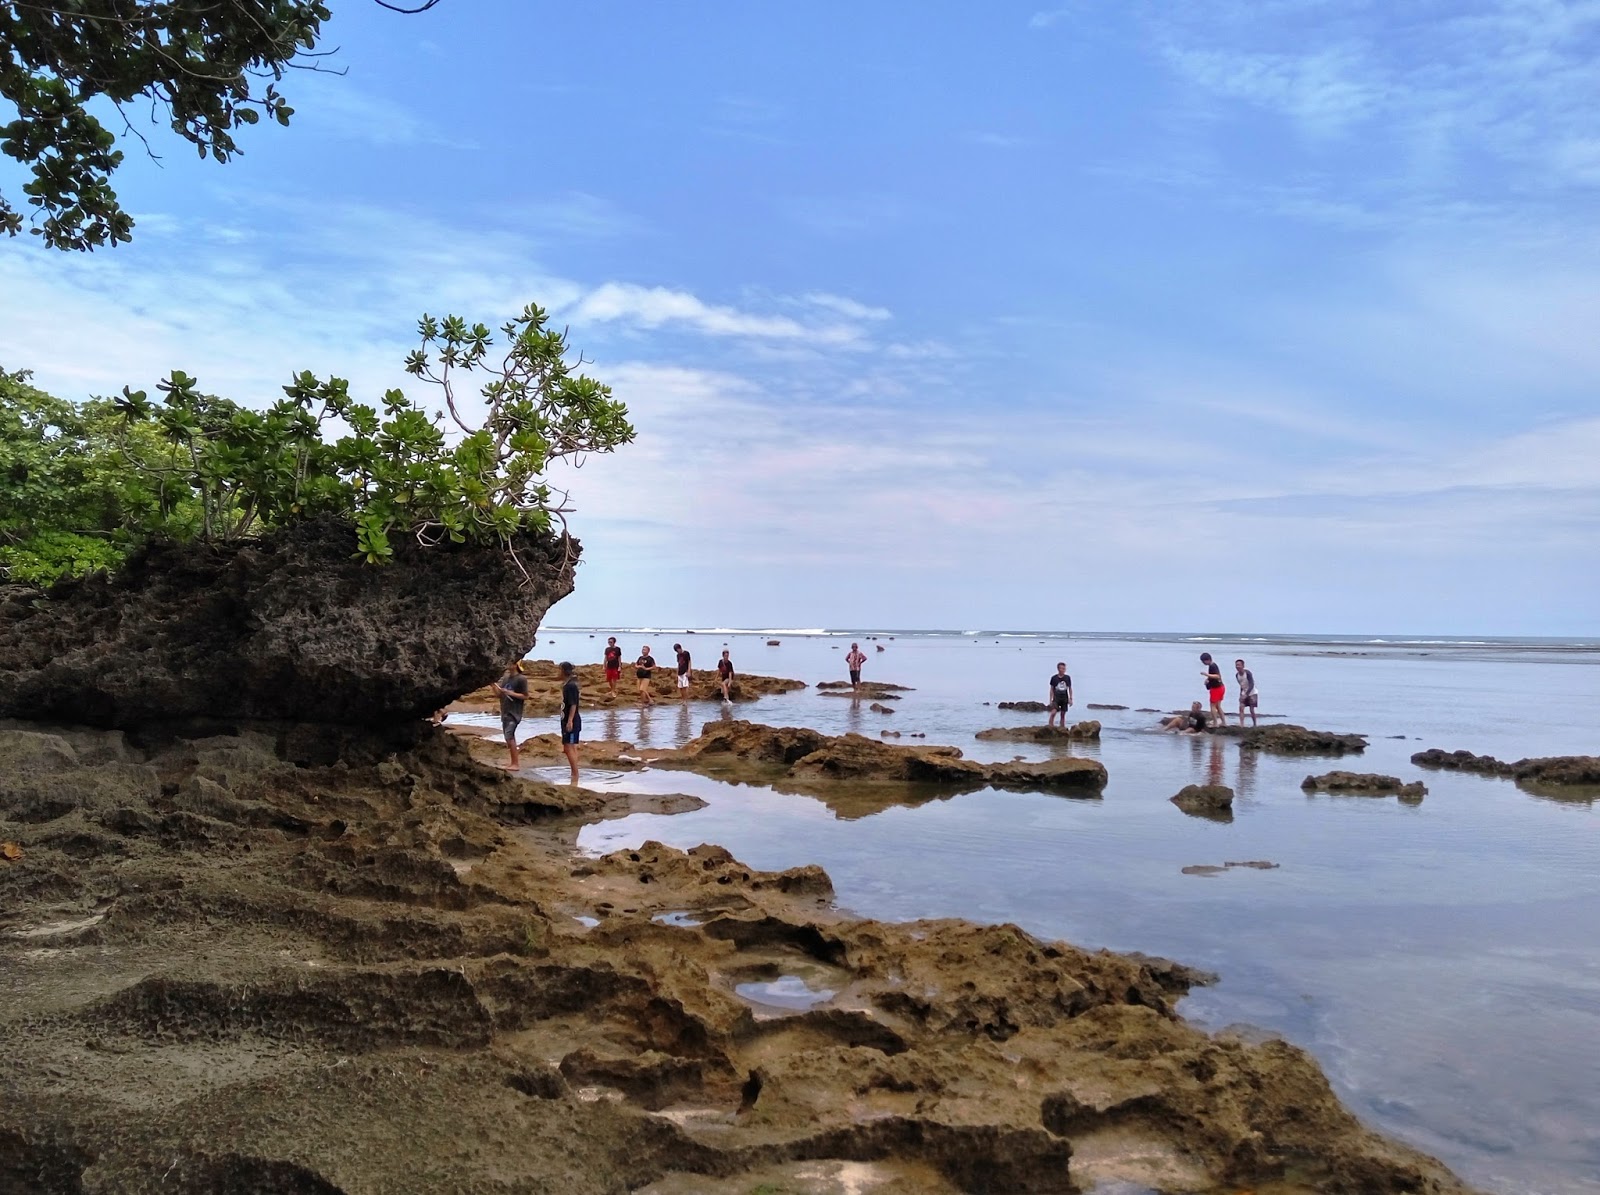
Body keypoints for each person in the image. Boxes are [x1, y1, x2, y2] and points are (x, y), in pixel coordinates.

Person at [492, 660, 529, 769]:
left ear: (516, 665)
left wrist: (511, 693)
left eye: (511, 662)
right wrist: (493, 686)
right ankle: (513, 762)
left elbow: (525, 696)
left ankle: (515, 764)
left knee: (509, 736)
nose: (508, 664)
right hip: (505, 711)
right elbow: (499, 694)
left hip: (514, 712)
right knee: (508, 737)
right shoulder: (506, 678)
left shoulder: (521, 679)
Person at [558, 660, 581, 784]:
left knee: (568, 747)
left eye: (559, 670)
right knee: (569, 746)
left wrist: (570, 720)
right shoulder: (567, 684)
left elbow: (573, 704)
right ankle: (574, 772)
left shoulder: (571, 686)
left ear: (563, 671)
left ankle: (575, 773)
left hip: (571, 720)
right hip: (566, 720)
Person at [1200, 652, 1227, 727]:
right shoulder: (1212, 666)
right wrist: (1208, 679)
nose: (1203, 663)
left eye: (1203, 661)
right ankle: (1223, 722)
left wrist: (1206, 674)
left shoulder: (1212, 666)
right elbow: (1215, 676)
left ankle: (1215, 723)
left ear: (1207, 660)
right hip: (1221, 687)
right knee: (1218, 706)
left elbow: (1217, 676)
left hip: (1216, 688)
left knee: (1213, 706)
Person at [1047, 662, 1073, 727]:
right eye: (1061, 668)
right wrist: (1050, 700)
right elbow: (1051, 689)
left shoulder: (1067, 678)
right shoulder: (1054, 678)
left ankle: (1062, 728)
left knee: (1063, 715)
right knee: (1053, 712)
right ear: (1058, 669)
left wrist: (1070, 699)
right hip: (1056, 698)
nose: (1063, 670)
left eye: (1064, 668)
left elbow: (1070, 688)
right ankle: (1050, 726)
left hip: (1064, 698)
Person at [1235, 658, 1259, 727]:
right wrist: (1241, 695)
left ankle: (1254, 724)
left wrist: (1247, 694)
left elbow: (1251, 684)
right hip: (1244, 692)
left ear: (1243, 666)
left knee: (1251, 709)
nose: (1237, 666)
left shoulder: (1247, 673)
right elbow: (1241, 685)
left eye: (1239, 665)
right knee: (1241, 707)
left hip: (1252, 692)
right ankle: (1242, 725)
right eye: (1236, 665)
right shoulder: (1237, 675)